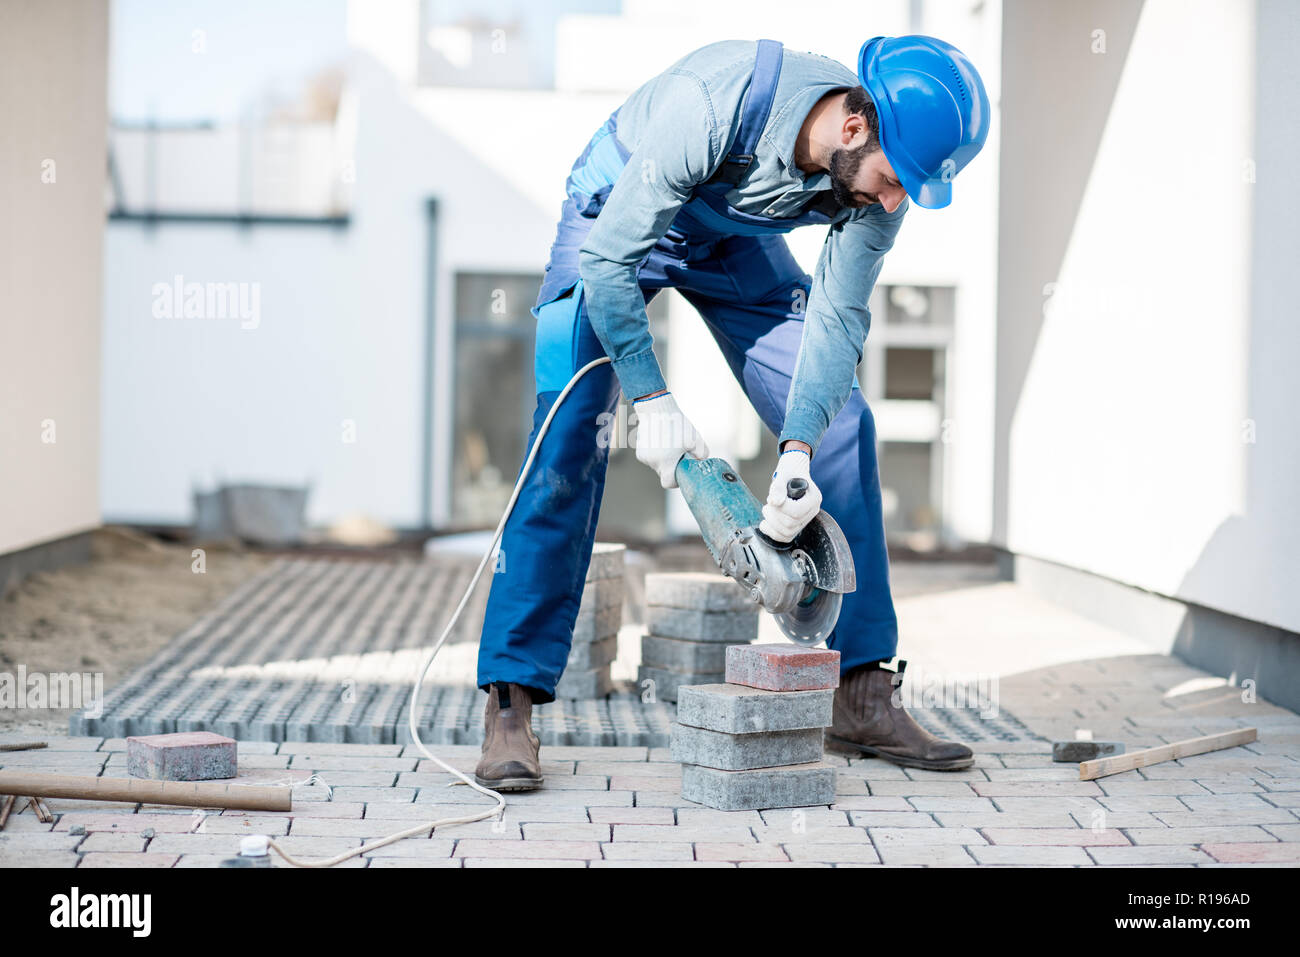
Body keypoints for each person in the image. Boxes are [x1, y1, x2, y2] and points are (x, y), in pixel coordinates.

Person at [472, 36, 991, 790]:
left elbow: (838, 321)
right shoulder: (711, 106)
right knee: (567, 431)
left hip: (728, 244)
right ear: (853, 127)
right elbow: (612, 263)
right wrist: (650, 398)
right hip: (613, 224)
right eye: (891, 181)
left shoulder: (883, 172)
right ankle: (510, 703)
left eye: (907, 189)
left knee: (846, 426)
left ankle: (862, 691)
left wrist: (799, 452)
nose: (893, 202)